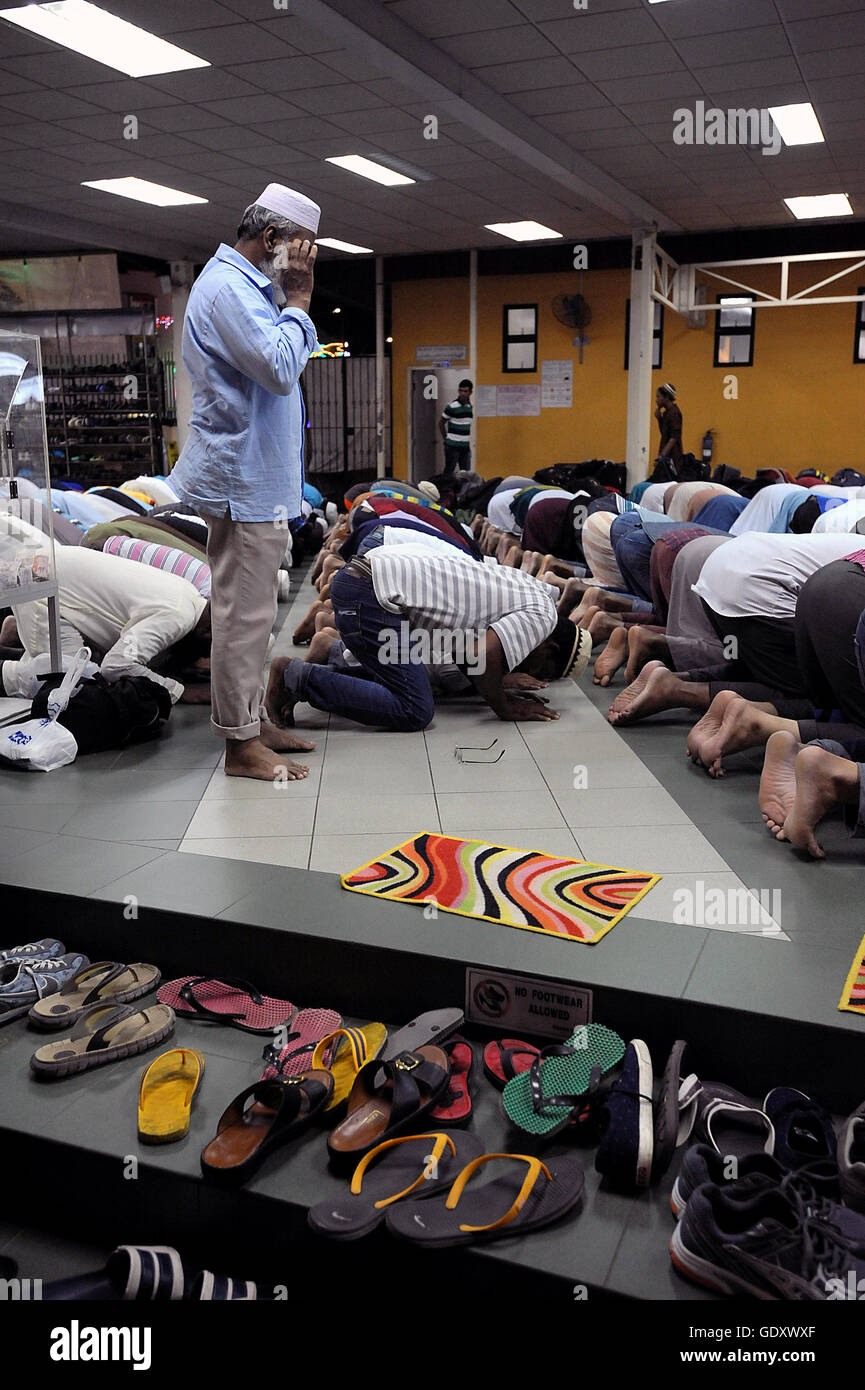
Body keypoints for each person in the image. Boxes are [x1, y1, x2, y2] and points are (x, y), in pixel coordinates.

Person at [169, 183, 321, 782]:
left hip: (257, 478)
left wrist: (289, 300)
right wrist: (301, 299)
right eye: (301, 251)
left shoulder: (253, 289)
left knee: (255, 614)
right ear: (270, 240)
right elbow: (281, 369)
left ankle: (253, 721)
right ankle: (239, 745)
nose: (305, 264)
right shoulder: (230, 289)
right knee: (243, 615)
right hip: (241, 478)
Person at [265, 543, 591, 733]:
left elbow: (467, 655)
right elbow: (482, 657)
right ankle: (298, 677)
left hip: (362, 581)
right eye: (544, 668)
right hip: (372, 595)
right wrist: (503, 707)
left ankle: (314, 667)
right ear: (550, 645)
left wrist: (498, 681)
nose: (535, 673)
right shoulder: (543, 615)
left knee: (410, 673)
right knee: (416, 709)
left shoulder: (531, 589)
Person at [0, 546, 210, 704]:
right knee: (69, 681)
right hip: (39, 582)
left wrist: (176, 671)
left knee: (82, 666)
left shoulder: (190, 595)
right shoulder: (176, 616)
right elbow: (116, 666)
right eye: (207, 654)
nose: (206, 660)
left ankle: (21, 629)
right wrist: (178, 690)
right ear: (207, 631)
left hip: (45, 570)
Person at [439, 379, 474, 474]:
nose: (463, 393)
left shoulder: (472, 407)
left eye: (465, 391)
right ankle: (446, 488)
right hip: (452, 445)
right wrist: (446, 439)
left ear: (470, 392)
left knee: (466, 473)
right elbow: (441, 422)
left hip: (465, 446)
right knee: (449, 471)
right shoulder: (452, 406)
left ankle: (464, 489)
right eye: (461, 391)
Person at [654, 383, 683, 469]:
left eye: (658, 397)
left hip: (672, 457)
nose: (656, 400)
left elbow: (674, 438)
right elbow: (664, 434)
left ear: (666, 397)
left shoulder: (674, 413)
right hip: (667, 456)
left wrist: (662, 456)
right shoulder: (667, 413)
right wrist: (659, 419)